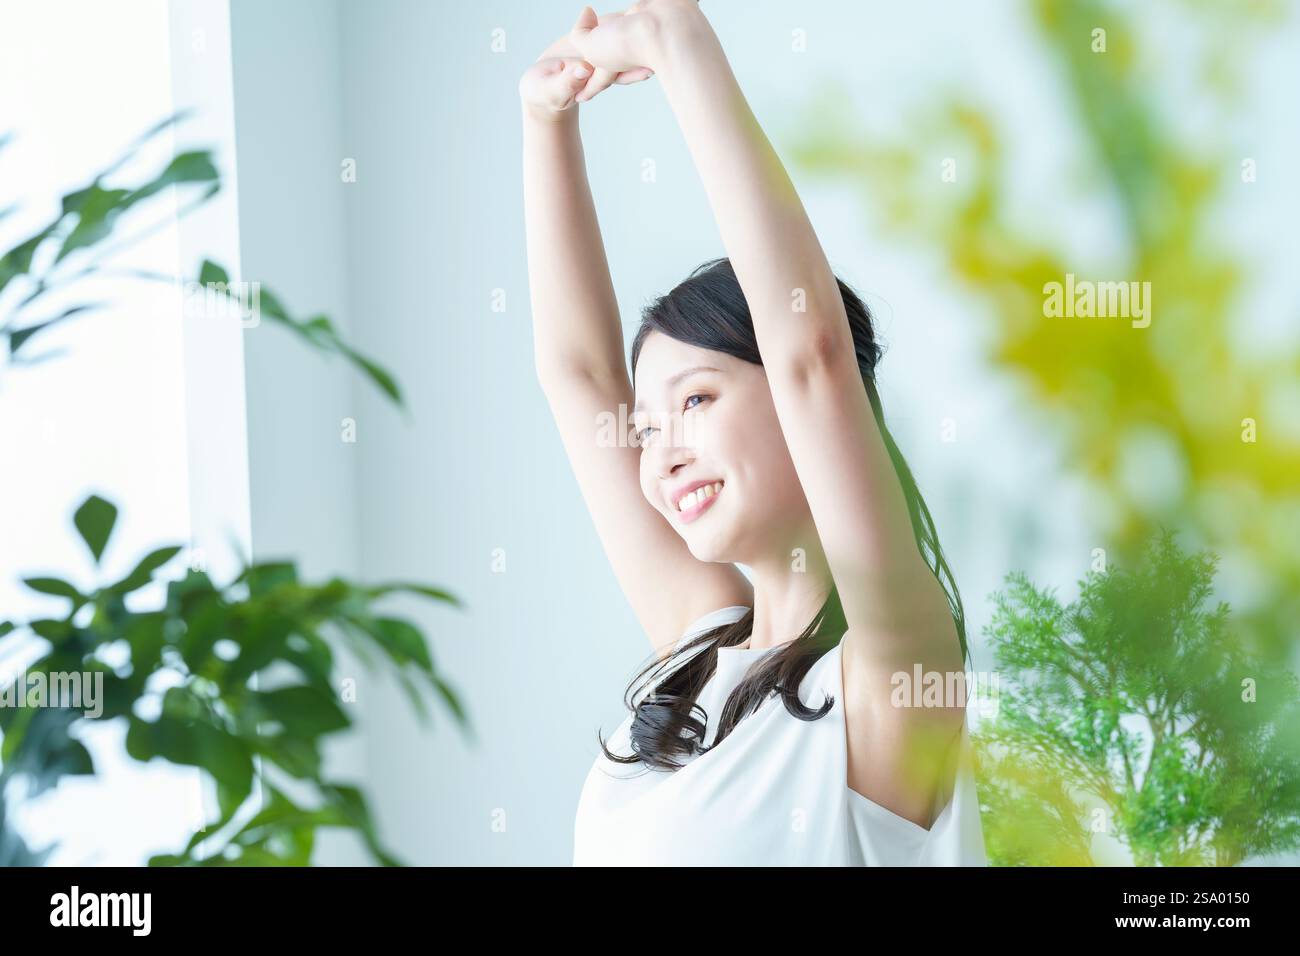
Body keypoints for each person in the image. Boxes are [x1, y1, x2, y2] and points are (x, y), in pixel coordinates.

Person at [520, 0, 987, 866]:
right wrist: (546, 118)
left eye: (696, 401)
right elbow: (578, 378)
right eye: (649, 424)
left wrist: (680, 47)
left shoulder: (891, 668)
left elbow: (811, 352)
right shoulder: (697, 654)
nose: (660, 451)